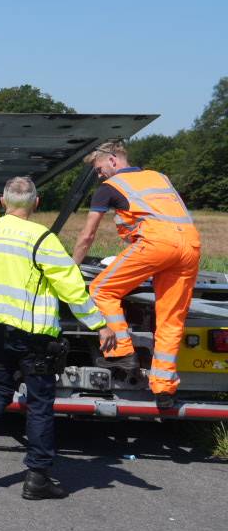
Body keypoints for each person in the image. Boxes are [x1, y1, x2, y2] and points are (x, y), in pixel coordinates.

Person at [0, 177, 107, 499]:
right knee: (38, 405)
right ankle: (37, 478)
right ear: (36, 203)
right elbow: (69, 284)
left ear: (2, 200)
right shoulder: (42, 238)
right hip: (33, 335)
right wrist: (99, 325)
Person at [69, 140, 200, 409]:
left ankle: (122, 352)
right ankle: (164, 390)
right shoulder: (158, 176)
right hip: (191, 246)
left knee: (102, 289)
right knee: (171, 319)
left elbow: (87, 235)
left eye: (98, 168)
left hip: (156, 244)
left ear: (113, 161)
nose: (98, 174)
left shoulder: (109, 188)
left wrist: (71, 269)